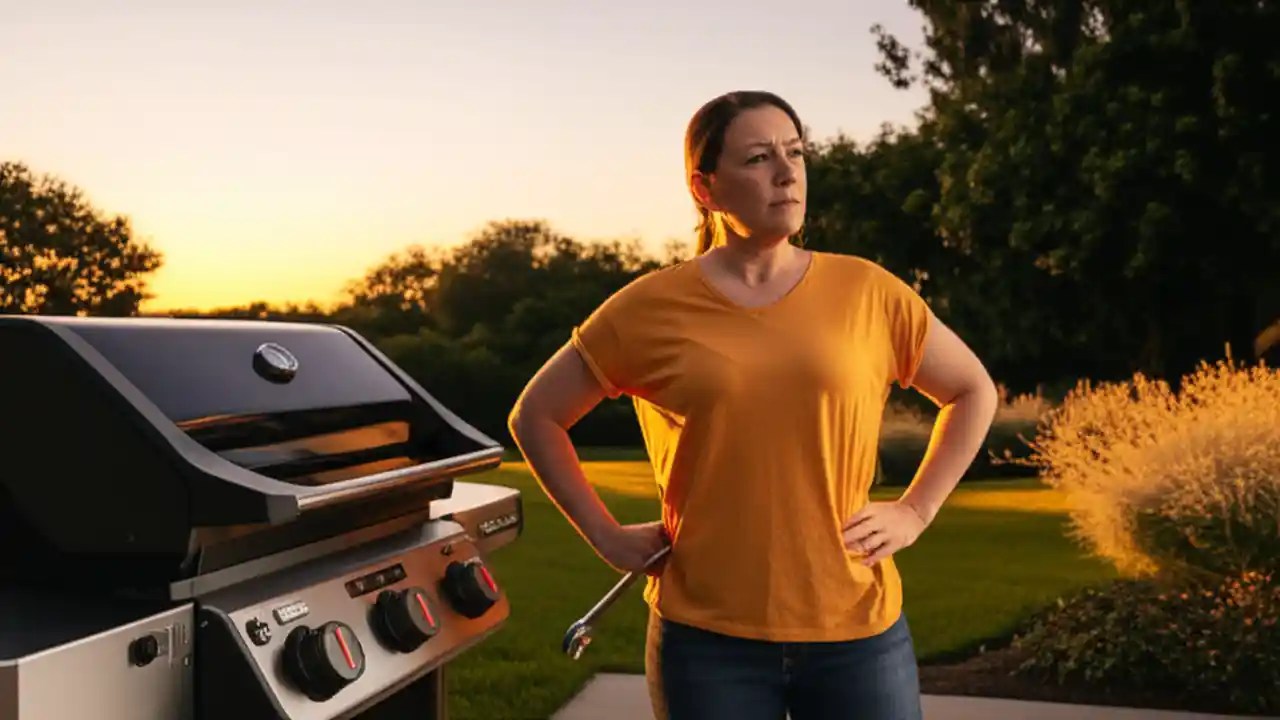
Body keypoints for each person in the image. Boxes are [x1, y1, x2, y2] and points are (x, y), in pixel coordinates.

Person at [507, 90, 999, 720]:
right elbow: (536, 416)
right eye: (759, 158)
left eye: (796, 153)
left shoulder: (868, 291)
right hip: (708, 642)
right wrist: (605, 536)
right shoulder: (649, 308)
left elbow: (972, 389)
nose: (787, 172)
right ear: (705, 188)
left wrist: (916, 510)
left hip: (856, 632)